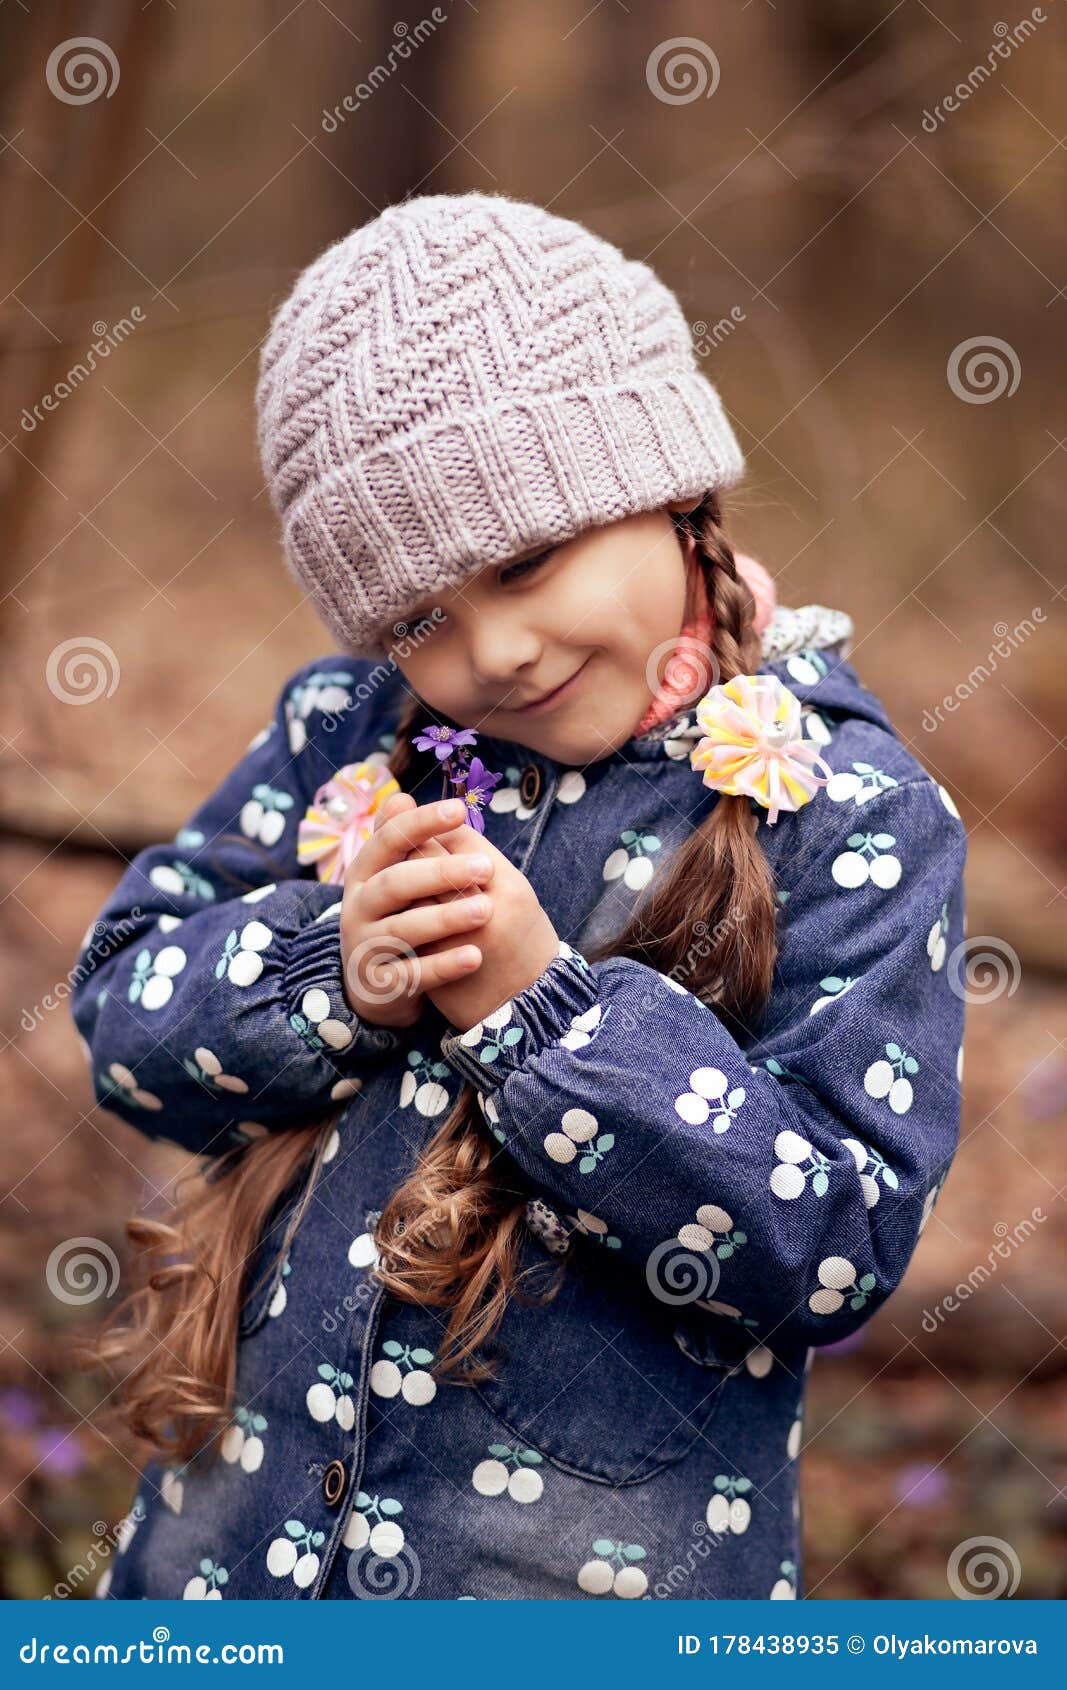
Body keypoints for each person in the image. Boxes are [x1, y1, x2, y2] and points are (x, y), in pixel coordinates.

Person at [71, 191, 967, 1602]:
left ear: (670, 488)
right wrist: (329, 970)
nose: (492, 647)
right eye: (421, 614)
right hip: (231, 1573)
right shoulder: (348, 734)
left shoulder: (848, 813)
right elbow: (124, 1016)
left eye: (527, 561)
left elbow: (837, 1243)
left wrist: (551, 1023)